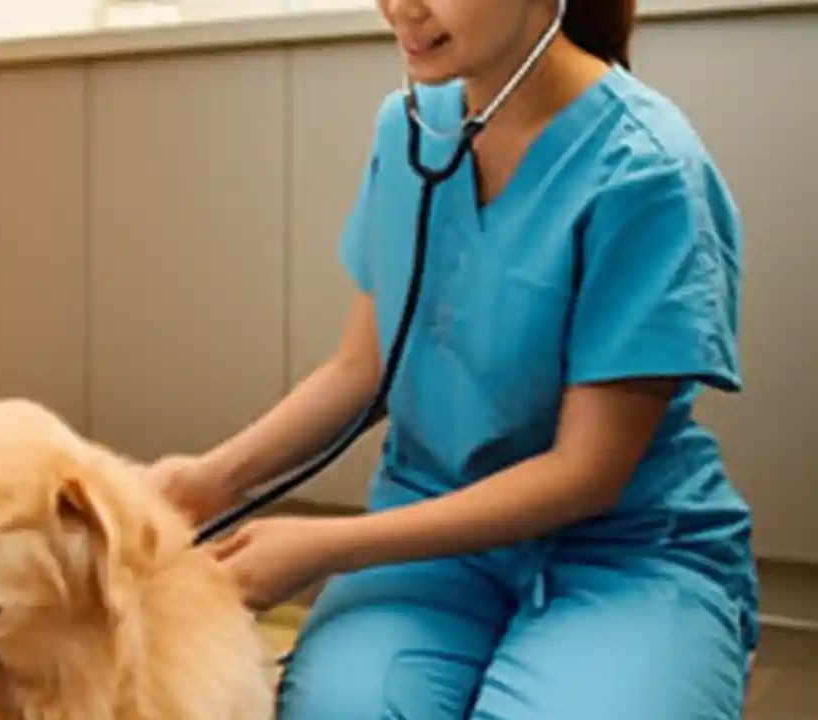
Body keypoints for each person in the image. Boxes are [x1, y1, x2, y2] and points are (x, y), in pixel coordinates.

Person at [147, 0, 759, 717]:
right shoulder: (410, 130)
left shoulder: (647, 171)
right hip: (429, 538)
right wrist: (207, 482)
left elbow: (585, 472)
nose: (400, 6)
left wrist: (327, 545)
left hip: (622, 554)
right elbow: (362, 367)